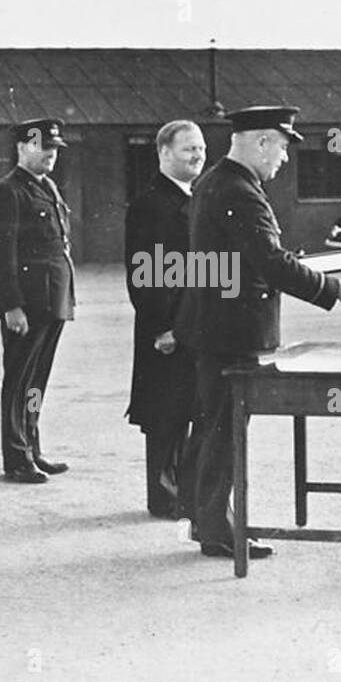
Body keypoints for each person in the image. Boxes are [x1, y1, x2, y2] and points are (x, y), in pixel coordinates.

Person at [174, 105, 341, 560]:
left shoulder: (212, 181)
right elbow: (271, 263)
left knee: (211, 426)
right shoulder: (240, 190)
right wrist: (337, 289)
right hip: (233, 330)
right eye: (282, 148)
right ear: (261, 142)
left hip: (213, 323)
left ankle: (205, 519)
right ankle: (218, 528)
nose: (283, 160)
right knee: (225, 429)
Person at [0, 118, 75, 484]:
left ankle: (32, 445)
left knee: (37, 380)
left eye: (54, 149)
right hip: (27, 303)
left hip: (53, 299)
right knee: (20, 379)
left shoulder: (48, 187)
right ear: (22, 148)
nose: (50, 154)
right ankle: (16, 457)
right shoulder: (8, 192)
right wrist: (11, 305)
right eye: (42, 147)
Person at [125, 120, 206, 518]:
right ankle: (163, 496)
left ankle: (181, 492)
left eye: (201, 149)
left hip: (191, 325)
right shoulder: (150, 204)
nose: (197, 156)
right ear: (163, 153)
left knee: (185, 409)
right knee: (164, 415)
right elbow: (144, 275)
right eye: (188, 149)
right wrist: (163, 327)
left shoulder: (194, 198)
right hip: (167, 329)